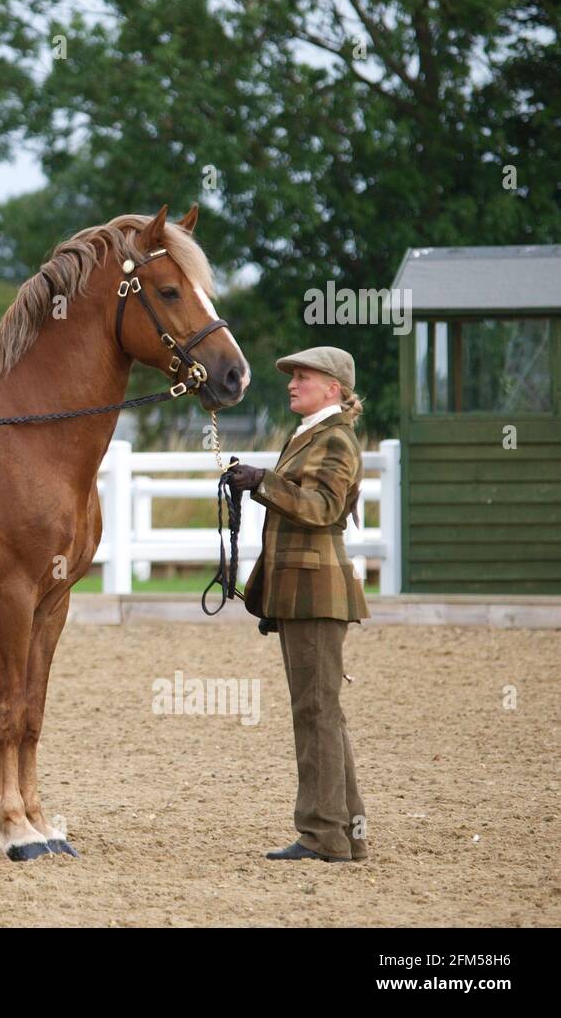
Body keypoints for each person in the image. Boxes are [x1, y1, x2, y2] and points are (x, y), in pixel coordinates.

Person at [227, 346, 369, 863]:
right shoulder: (310, 434)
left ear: (333, 387)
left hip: (317, 593)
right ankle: (347, 832)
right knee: (322, 711)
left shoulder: (335, 439)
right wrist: (262, 479)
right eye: (292, 377)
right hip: (301, 592)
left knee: (316, 712)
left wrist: (263, 482)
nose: (292, 383)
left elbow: (324, 508)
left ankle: (322, 834)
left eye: (303, 377)